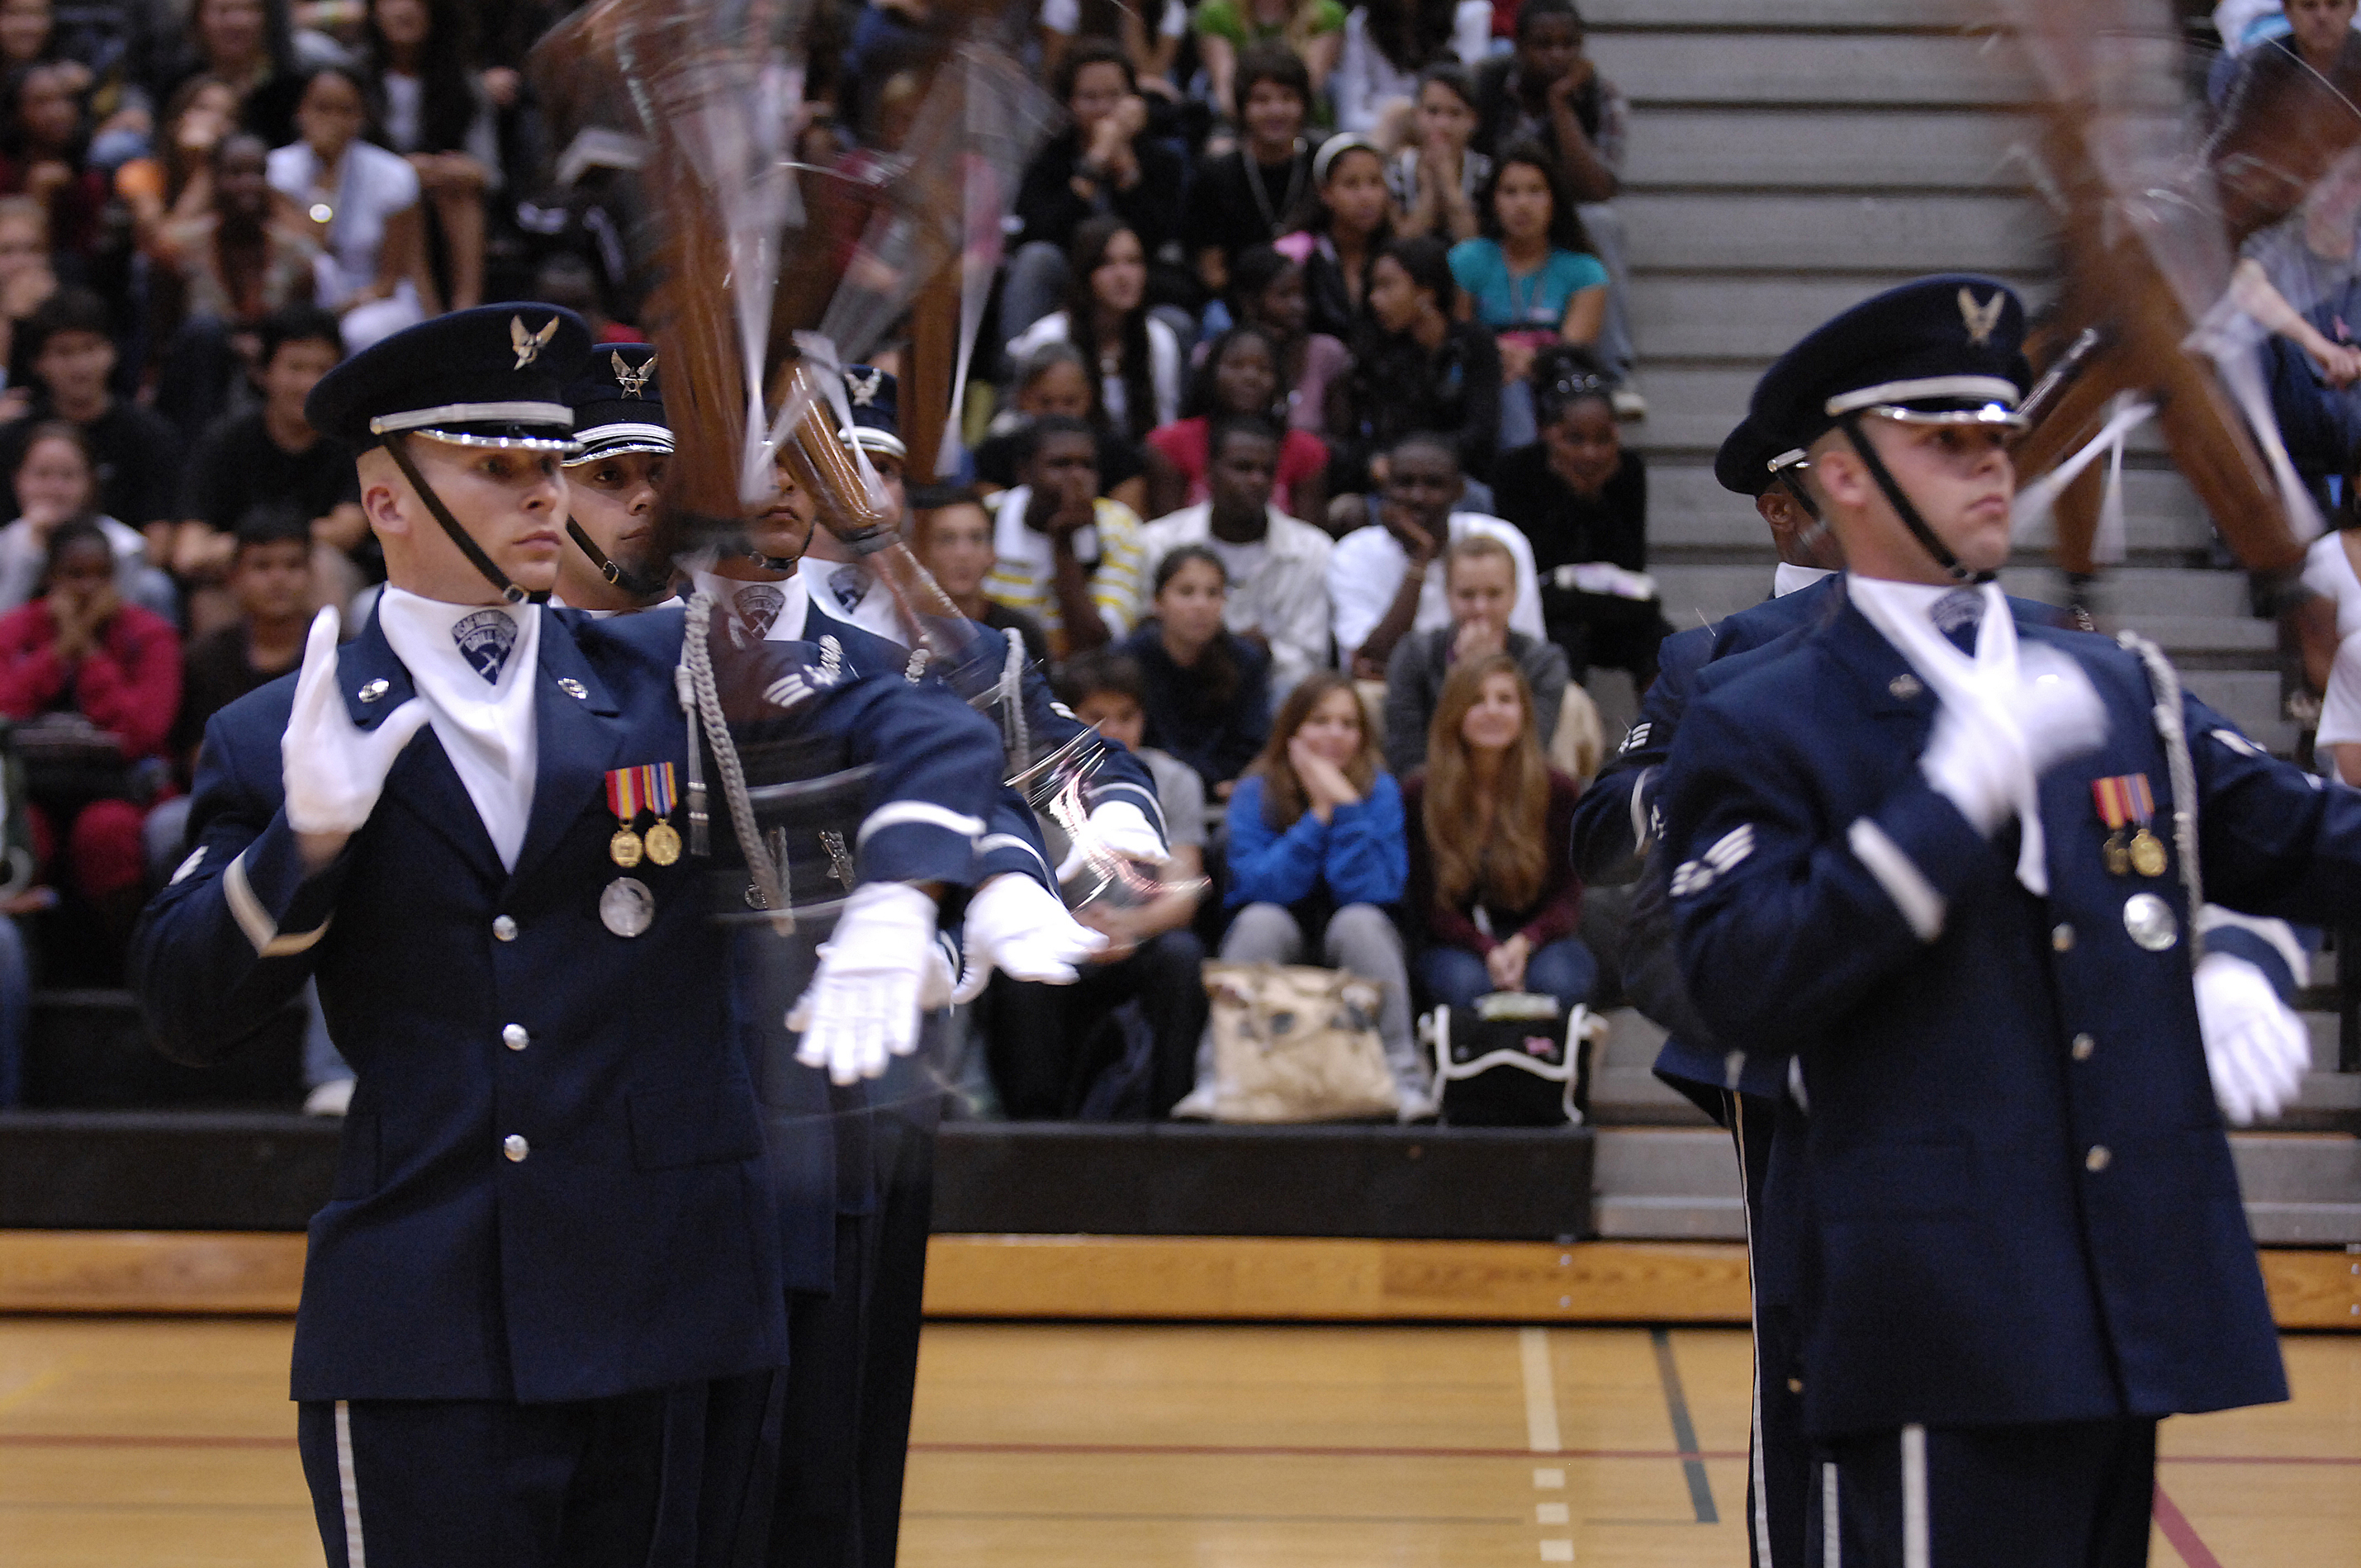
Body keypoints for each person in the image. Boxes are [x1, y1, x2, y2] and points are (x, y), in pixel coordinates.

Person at [130, 302, 1004, 1568]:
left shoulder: (669, 679)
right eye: (494, 466)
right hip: (422, 1316)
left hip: (654, 1313)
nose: (540, 494)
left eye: (549, 463)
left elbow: (923, 724)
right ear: (385, 500)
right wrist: (301, 846)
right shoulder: (281, 730)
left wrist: (898, 885)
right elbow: (182, 1005)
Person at [1659, 275, 2334, 1568]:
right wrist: (1946, 801)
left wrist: (2240, 952)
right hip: (1936, 1313)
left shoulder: (2106, 679)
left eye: (1996, 436)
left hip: (2117, 1302)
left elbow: (2298, 846)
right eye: (1942, 438)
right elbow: (1740, 977)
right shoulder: (1759, 710)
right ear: (1842, 475)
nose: (1987, 464)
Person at [981, 650, 1211, 1120]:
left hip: (1136, 938)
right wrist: (1072, 927)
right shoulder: (1024, 785)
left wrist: (1126, 925)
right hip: (1053, 935)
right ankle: (1034, 1128)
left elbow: (1183, 893)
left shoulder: (1174, 781)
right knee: (1016, 967)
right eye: (1097, 717)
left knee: (1181, 955)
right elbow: (1005, 887)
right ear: (1065, 719)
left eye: (1127, 717)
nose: (1115, 731)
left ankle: (1172, 1119)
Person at [1191, 670, 1428, 1111]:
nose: (1335, 734)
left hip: (1355, 933)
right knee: (1260, 921)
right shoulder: (1254, 791)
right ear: (1292, 731)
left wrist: (1348, 809)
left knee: (1360, 923)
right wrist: (1319, 815)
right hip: (1279, 929)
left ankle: (1402, 1078)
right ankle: (1219, 1078)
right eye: (1321, 721)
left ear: (1363, 736)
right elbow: (1260, 887)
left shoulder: (1380, 791)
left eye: (1348, 724)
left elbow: (1373, 890)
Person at [0, 517, 178, 950]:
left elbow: (143, 732)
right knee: (25, 833)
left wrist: (91, 656)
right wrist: (60, 651)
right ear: (49, 578)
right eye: (75, 575)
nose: (88, 588)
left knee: (106, 833)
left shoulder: (150, 634)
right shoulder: (14, 629)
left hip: (121, 788)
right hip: (28, 787)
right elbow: (4, 708)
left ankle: (129, 960)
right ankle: (25, 964)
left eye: (101, 575)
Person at [1403, 652, 1591, 1020]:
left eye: (1505, 700)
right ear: (1455, 713)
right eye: (1477, 700)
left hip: (1538, 937)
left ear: (1524, 713)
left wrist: (1524, 943)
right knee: (1465, 988)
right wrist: (1486, 948)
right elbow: (1426, 904)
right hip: (1454, 941)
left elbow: (1568, 896)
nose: (1492, 711)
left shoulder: (1558, 790)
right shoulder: (1420, 793)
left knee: (1561, 981)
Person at [1468, 0, 1632, 388]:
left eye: (1568, 44)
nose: (1557, 55)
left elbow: (1598, 189)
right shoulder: (1486, 85)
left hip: (1562, 216)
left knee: (1602, 222)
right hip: (1491, 208)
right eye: (1544, 44)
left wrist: (1561, 106)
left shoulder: (1601, 94)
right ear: (1519, 47)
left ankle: (1613, 372)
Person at [171, 304, 363, 632]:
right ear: (263, 373)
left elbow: (347, 530)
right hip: (241, 580)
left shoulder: (354, 441)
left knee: (320, 564)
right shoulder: (224, 441)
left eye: (322, 369)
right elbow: (188, 552)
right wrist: (256, 560)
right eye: (296, 368)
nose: (309, 383)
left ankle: (326, 665)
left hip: (324, 572)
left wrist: (259, 551)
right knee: (211, 595)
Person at [1489, 351, 1668, 683]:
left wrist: (1594, 498)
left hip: (1610, 606)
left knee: (1661, 642)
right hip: (1547, 608)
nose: (1591, 453)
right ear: (1548, 432)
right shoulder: (1514, 471)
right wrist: (1569, 496)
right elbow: (1526, 562)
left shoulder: (1628, 470)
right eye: (1575, 439)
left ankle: (1662, 718)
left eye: (1603, 440)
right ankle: (1568, 717)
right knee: (1564, 643)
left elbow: (1631, 562)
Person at [1139, 411, 1333, 699]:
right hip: (1178, 688)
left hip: (1275, 691)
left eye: (1267, 471)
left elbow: (1311, 659)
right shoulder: (1160, 542)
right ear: (1209, 472)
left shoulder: (1312, 549)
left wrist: (1263, 653)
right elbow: (1146, 635)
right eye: (1242, 468)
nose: (1256, 480)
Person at [1003, 40, 1185, 343]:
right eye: (1090, 98)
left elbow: (1156, 236)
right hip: (1069, 274)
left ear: (1134, 100)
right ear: (1070, 104)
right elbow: (1041, 232)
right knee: (1036, 260)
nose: (1104, 109)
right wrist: (1095, 162)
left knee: (1176, 320)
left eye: (1115, 96)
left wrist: (1125, 166)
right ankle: (1017, 363)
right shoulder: (1049, 157)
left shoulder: (1161, 160)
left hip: (1135, 279)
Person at [149, 128, 324, 442]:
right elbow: (163, 334)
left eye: (257, 173)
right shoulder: (177, 250)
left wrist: (263, 350)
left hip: (268, 378)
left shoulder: (296, 256)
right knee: (204, 332)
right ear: (214, 180)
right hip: (197, 378)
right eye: (235, 173)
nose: (248, 184)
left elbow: (300, 331)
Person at [1329, 430, 1542, 678]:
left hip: (1491, 683)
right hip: (1390, 693)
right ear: (1386, 487)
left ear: (1459, 490)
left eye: (1434, 484)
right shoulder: (1353, 553)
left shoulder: (1500, 539)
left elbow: (1526, 651)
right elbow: (1371, 659)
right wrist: (1420, 559)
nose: (1418, 497)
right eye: (1405, 483)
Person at [1450, 141, 1606, 449]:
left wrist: (1529, 358)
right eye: (1510, 192)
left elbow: (1574, 346)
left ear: (1554, 200)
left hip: (1554, 379)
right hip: (1482, 376)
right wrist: (1496, 355)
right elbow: (1457, 333)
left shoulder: (1585, 270)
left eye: (1535, 192)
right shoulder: (1466, 260)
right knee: (1506, 383)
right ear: (1493, 200)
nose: (1522, 205)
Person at [268, 64, 433, 351]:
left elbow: (390, 280)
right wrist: (326, 176)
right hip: (305, 296)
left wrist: (343, 309)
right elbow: (308, 249)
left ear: (361, 117)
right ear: (301, 112)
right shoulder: (278, 169)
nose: (333, 121)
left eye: (345, 111)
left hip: (376, 299)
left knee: (358, 332)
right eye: (322, 109)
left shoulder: (393, 174)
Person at [0, 289, 183, 540]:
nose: (80, 365)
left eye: (90, 348)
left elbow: (159, 538)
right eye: (64, 352)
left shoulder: (151, 435)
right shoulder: (11, 439)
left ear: (112, 352)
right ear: (38, 363)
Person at [1382, 531, 1568, 777]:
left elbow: (1533, 748)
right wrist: (1464, 676)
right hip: (1433, 786)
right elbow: (1406, 757)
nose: (1481, 608)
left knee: (1576, 703)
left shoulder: (1543, 661)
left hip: (1517, 787)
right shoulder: (1414, 654)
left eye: (1494, 594)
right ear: (1448, 595)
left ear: (1514, 595)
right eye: (1467, 595)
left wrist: (1489, 669)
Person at [355, 0, 498, 313]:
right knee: (404, 189)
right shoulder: (357, 79)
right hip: (377, 192)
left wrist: (445, 167)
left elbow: (488, 172)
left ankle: (466, 309)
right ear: (375, 13)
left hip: (446, 190)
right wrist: (401, 170)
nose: (405, 10)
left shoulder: (463, 82)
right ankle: (427, 311)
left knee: (458, 190)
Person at [1330, 236, 1502, 490]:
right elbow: (1363, 437)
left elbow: (1481, 431)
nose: (1374, 299)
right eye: (1373, 288)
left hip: (1461, 476)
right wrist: (1374, 461)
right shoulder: (1376, 350)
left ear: (1426, 291)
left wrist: (1421, 461)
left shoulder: (1475, 343)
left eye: (1387, 286)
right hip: (1392, 481)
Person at [1005, 216, 1180, 445]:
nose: (1123, 275)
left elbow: (1164, 429)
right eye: (1107, 263)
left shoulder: (1159, 338)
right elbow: (1025, 425)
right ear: (1084, 273)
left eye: (1133, 262)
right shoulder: (1048, 337)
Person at [984, 413, 1145, 657]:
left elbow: (1097, 646)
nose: (1077, 477)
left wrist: (1064, 544)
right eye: (1060, 465)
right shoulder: (989, 518)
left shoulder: (1118, 526)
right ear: (1024, 472)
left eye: (1087, 466)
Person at [1118, 544, 1273, 795]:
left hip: (1225, 791)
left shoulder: (1247, 661)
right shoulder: (1128, 660)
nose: (1201, 605)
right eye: (1186, 592)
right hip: (1148, 785)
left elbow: (1250, 744)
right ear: (1158, 602)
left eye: (1213, 593)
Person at [1144, 325, 1329, 522]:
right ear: (1212, 372)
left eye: (1264, 369)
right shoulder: (1170, 444)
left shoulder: (1306, 451)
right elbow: (1167, 527)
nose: (1250, 377)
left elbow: (1307, 532)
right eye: (1236, 365)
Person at [0, 419, 174, 618]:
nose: (54, 489)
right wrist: (30, 554)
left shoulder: (124, 548)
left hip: (101, 634)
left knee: (154, 585)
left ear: (90, 482)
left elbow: (124, 624)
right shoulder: (6, 543)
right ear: (17, 479)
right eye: (42, 474)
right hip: (23, 636)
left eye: (68, 476)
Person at [1183, 45, 1316, 298]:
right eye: (1262, 100)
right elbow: (1211, 269)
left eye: (1288, 98)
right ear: (1242, 107)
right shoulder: (1215, 174)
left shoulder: (1320, 164)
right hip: (1238, 302)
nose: (1276, 111)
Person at [551, 340, 671, 615]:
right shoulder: (520, 643)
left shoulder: (733, 638)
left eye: (660, 474)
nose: (648, 497)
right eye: (609, 475)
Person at [972, 340, 1150, 517]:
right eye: (1046, 402)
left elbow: (1130, 522)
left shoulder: (1121, 458)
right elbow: (989, 519)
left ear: (1089, 397)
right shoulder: (993, 456)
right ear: (1022, 398)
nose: (1058, 413)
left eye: (1070, 402)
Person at [910, 486, 1050, 668]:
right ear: (924, 554)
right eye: (947, 539)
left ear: (993, 552)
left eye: (977, 538)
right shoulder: (906, 631)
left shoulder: (1019, 634)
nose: (963, 553)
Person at [1278, 132, 1393, 343]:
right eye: (1351, 184)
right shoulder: (1296, 254)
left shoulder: (1397, 254)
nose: (1366, 197)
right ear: (1325, 193)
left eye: (1375, 182)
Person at [1227, 244, 1350, 441]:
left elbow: (1342, 436)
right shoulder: (1218, 356)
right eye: (1284, 295)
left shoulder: (1326, 353)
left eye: (1302, 295)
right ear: (1249, 302)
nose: (1298, 306)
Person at [0, 61, 109, 258]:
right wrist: (37, 196)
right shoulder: (4, 170)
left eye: (65, 100)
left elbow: (81, 258)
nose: (58, 112)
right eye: (42, 102)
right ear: (15, 112)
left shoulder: (88, 181)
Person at [1193, 0, 1344, 136]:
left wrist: (1279, 118)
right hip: (1238, 121)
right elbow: (1226, 92)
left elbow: (1309, 88)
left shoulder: (1326, 13)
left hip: (1306, 120)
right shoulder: (1216, 12)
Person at [1390, 64, 1489, 244]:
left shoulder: (1486, 172)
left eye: (1455, 113)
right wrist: (1429, 190)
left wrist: (1450, 186)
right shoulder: (1396, 171)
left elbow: (1474, 248)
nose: (1442, 124)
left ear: (1473, 120)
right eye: (1432, 111)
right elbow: (1402, 245)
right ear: (1415, 115)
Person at [1330, 0, 1459, 137]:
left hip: (1442, 129)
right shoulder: (1361, 24)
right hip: (1379, 132)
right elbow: (1351, 117)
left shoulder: (1459, 17)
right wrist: (1397, 122)